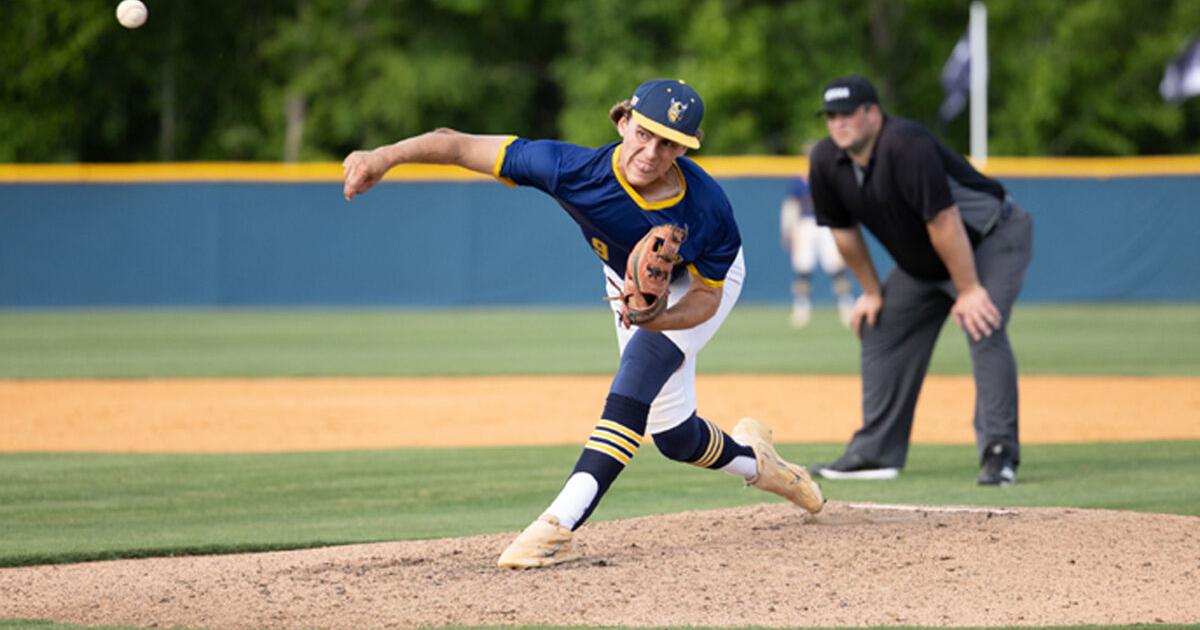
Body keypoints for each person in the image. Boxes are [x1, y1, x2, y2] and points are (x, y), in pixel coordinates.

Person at [342, 79, 825, 569]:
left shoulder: (707, 208)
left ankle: (558, 525)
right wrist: (384, 156)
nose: (651, 151)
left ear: (684, 147)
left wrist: (659, 318)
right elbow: (457, 143)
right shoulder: (570, 169)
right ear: (622, 122)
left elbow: (707, 297)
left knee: (633, 385)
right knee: (675, 437)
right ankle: (763, 465)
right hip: (631, 281)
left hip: (696, 286)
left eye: (669, 143)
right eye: (644, 133)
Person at [806, 75, 1033, 486]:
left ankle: (999, 454)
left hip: (991, 238)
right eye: (831, 116)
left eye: (848, 114)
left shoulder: (906, 145)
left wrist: (968, 289)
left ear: (873, 113)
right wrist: (873, 292)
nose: (838, 123)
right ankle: (875, 452)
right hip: (924, 263)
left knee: (982, 322)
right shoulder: (825, 160)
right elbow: (843, 231)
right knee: (881, 326)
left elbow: (944, 220)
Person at [779, 154, 856, 328]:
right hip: (805, 224)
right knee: (803, 267)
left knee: (835, 265)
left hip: (826, 225)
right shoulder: (799, 182)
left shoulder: (828, 178)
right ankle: (801, 307)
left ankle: (847, 305)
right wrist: (788, 230)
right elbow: (791, 207)